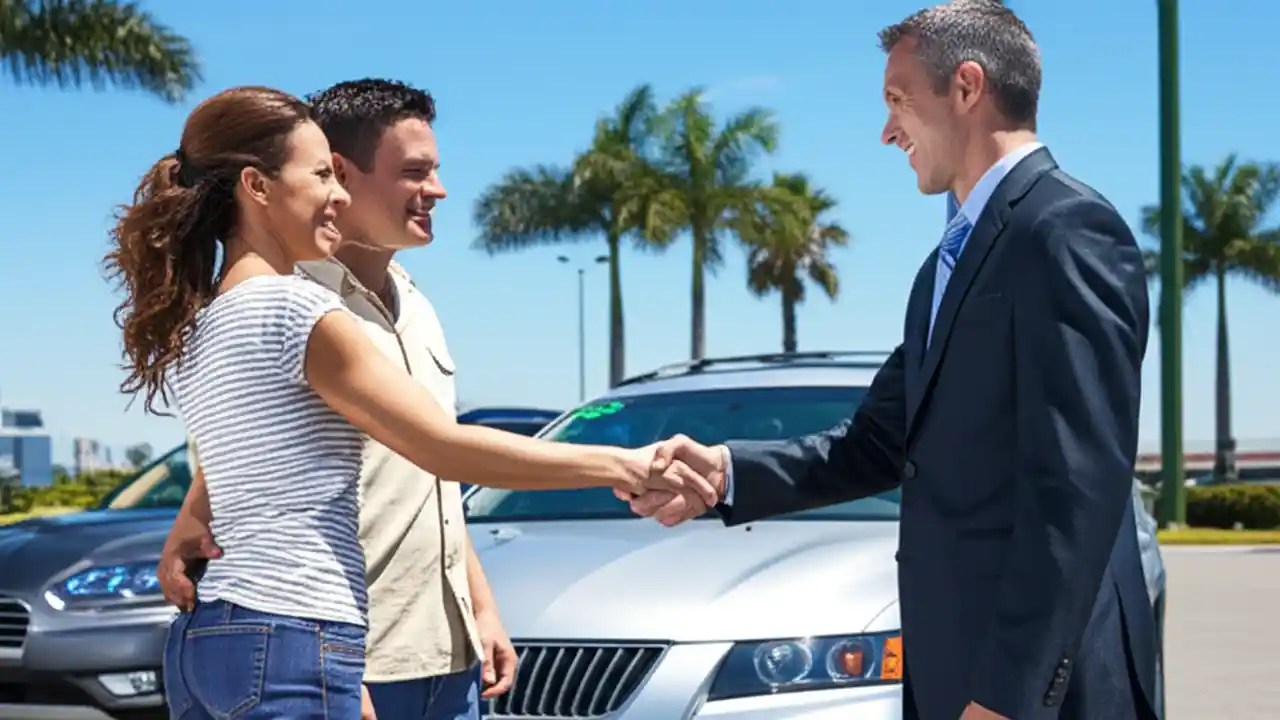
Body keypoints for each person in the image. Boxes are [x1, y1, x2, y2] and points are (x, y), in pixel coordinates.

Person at [103, 85, 712, 719]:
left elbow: (266, 454)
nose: (335, 192)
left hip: (217, 638)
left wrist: (479, 605)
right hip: (298, 634)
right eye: (321, 175)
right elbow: (440, 447)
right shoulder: (302, 308)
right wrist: (627, 466)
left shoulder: (209, 318)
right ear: (257, 187)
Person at [625, 2, 1159, 719]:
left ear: (967, 88)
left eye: (897, 99)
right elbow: (878, 443)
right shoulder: (947, 264)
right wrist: (723, 474)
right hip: (953, 674)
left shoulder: (1065, 231)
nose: (885, 130)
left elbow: (1075, 490)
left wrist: (1006, 696)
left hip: (1033, 695)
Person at [154, 78, 516, 719]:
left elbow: (431, 480)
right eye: (415, 172)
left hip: (447, 654)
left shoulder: (418, 303)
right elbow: (256, 462)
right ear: (341, 171)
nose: (438, 189)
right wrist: (342, 676)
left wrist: (479, 607)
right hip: (355, 656)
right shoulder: (295, 304)